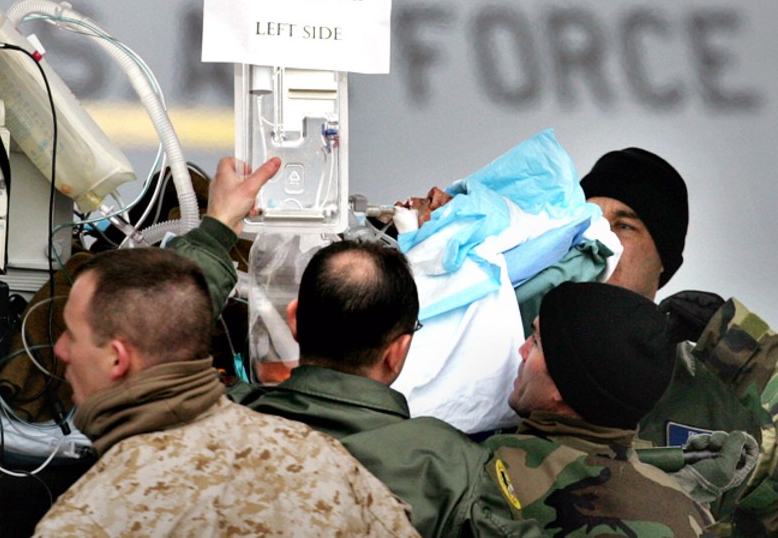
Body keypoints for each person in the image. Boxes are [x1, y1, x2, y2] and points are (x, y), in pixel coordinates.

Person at [32, 247, 420, 537]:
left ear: (117, 359)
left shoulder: (89, 518)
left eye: (71, 333)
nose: (61, 349)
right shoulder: (324, 458)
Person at [234, 240, 542, 538]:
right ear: (397, 351)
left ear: (294, 320)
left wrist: (216, 230)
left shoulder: (225, 415)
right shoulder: (448, 465)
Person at [582, 148, 778, 535]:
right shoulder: (518, 360)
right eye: (588, 221)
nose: (599, 238)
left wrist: (748, 357)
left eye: (624, 225)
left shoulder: (713, 394)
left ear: (662, 263)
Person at [483, 282, 715, 535]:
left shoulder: (487, 470)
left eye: (536, 343)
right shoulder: (694, 516)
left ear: (565, 384)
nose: (522, 350)